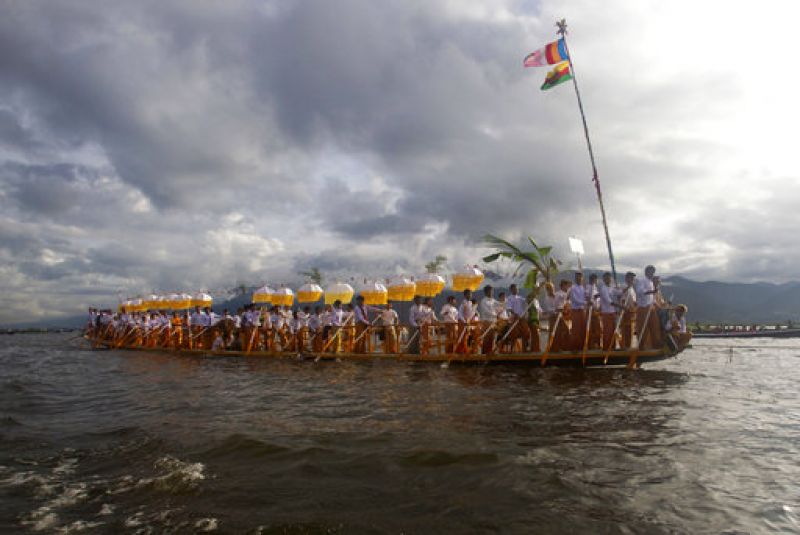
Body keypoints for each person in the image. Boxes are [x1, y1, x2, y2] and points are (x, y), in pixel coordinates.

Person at [635, 265, 663, 350]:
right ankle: (641, 346)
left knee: (655, 326)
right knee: (643, 328)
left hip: (651, 308)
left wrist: (657, 305)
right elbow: (639, 291)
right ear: (646, 272)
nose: (652, 274)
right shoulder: (641, 281)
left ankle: (656, 345)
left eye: (653, 272)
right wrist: (651, 291)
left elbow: (652, 297)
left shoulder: (651, 283)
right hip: (643, 308)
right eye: (650, 272)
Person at [506, 284, 531, 352]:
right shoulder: (509, 298)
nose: (516, 290)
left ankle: (525, 349)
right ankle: (512, 350)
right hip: (514, 318)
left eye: (517, 289)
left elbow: (527, 300)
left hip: (521, 318)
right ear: (511, 290)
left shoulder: (520, 298)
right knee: (514, 334)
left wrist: (533, 294)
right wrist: (515, 314)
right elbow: (509, 308)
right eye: (514, 289)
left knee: (526, 331)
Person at [598, 272, 617, 351]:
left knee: (613, 330)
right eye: (606, 278)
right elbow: (609, 301)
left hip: (612, 312)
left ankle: (612, 347)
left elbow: (619, 293)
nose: (608, 279)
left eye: (609, 278)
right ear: (603, 279)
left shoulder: (612, 287)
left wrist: (625, 289)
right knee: (607, 331)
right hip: (606, 313)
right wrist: (622, 307)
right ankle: (606, 348)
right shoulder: (603, 288)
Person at [568, 272, 587, 351]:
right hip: (575, 310)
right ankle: (574, 347)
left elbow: (585, 297)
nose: (579, 278)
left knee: (583, 328)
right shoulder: (572, 288)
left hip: (582, 310)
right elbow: (574, 300)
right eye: (577, 277)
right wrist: (585, 302)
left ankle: (582, 346)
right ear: (575, 278)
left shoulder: (583, 287)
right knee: (576, 329)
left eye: (580, 277)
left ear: (582, 278)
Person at [478, 285, 498, 354]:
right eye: (490, 291)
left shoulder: (494, 301)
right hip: (487, 322)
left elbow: (499, 308)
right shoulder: (483, 301)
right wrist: (495, 314)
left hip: (494, 322)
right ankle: (484, 355)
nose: (491, 292)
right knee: (486, 339)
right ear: (486, 292)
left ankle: (490, 353)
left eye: (492, 291)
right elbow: (486, 311)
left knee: (492, 338)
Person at [585, 273, 602, 350]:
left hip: (596, 310)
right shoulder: (588, 287)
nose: (595, 280)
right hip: (590, 310)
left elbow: (597, 298)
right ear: (591, 279)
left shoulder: (595, 287)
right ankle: (590, 345)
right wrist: (591, 300)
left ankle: (597, 344)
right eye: (594, 279)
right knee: (591, 328)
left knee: (598, 328)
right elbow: (587, 297)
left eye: (595, 279)